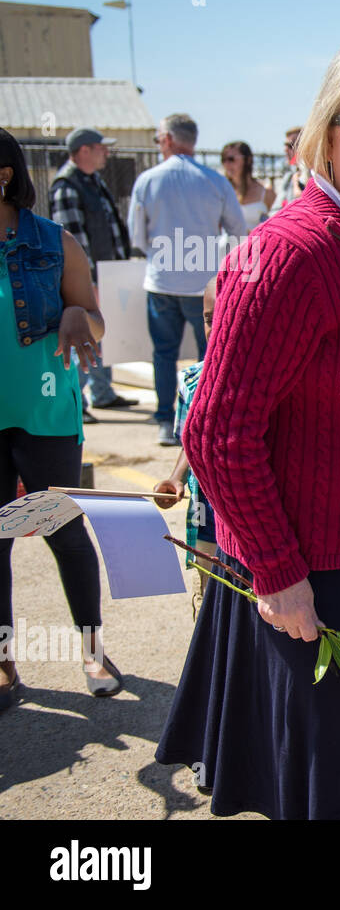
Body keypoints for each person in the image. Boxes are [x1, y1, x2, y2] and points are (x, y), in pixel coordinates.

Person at [155, 40, 340, 820]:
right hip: (311, 580)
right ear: (325, 138)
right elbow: (218, 429)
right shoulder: (290, 254)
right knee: (329, 795)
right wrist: (279, 570)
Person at [0, 128, 121, 711]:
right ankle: (3, 660)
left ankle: (93, 648)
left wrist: (77, 313)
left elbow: (97, 323)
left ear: (4, 174)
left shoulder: (55, 242)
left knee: (61, 528)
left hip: (44, 409)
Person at [128, 114, 246, 447]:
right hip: (204, 284)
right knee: (209, 354)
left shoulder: (148, 180)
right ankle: (203, 420)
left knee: (164, 353)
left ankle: (166, 420)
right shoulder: (214, 181)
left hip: (162, 281)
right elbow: (238, 230)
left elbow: (136, 235)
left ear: (167, 139)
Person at [48, 127, 138, 417]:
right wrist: (87, 283)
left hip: (105, 275)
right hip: (90, 279)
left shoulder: (92, 182)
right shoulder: (67, 186)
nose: (106, 153)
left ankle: (102, 392)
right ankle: (77, 399)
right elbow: (73, 242)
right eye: (101, 148)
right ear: (84, 150)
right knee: (84, 337)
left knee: (103, 335)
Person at [152, 277, 218, 599]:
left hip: (254, 527)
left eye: (230, 313)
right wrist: (175, 478)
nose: (217, 326)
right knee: (210, 601)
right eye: (209, 318)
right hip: (207, 518)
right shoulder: (192, 381)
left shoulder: (274, 379)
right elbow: (192, 442)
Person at [220, 141, 275, 231]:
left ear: (248, 160)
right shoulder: (222, 192)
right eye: (223, 159)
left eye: (231, 159)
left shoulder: (266, 192)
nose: (226, 164)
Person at [272, 126, 308, 213]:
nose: (285, 150)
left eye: (290, 145)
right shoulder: (289, 177)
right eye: (285, 145)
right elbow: (277, 208)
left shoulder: (314, 174)